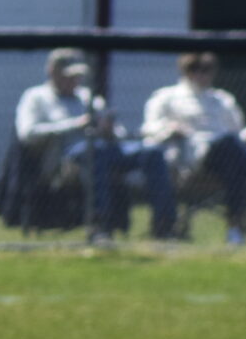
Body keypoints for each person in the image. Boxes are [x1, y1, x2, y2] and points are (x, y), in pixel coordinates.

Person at [14, 47, 176, 243]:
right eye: (68, 76)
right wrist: (75, 125)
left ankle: (164, 227)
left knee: (152, 152)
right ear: (52, 71)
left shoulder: (87, 97)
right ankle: (100, 227)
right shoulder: (36, 97)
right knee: (94, 151)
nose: (74, 81)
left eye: (78, 76)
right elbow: (27, 134)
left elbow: (119, 133)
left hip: (105, 151)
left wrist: (109, 130)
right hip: (64, 160)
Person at [142, 51, 246, 243]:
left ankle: (234, 231)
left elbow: (238, 133)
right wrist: (169, 128)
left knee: (234, 162)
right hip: (190, 157)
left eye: (207, 70)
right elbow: (149, 129)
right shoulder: (167, 97)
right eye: (196, 69)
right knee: (232, 151)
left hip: (226, 160)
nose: (202, 75)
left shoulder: (222, 100)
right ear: (186, 71)